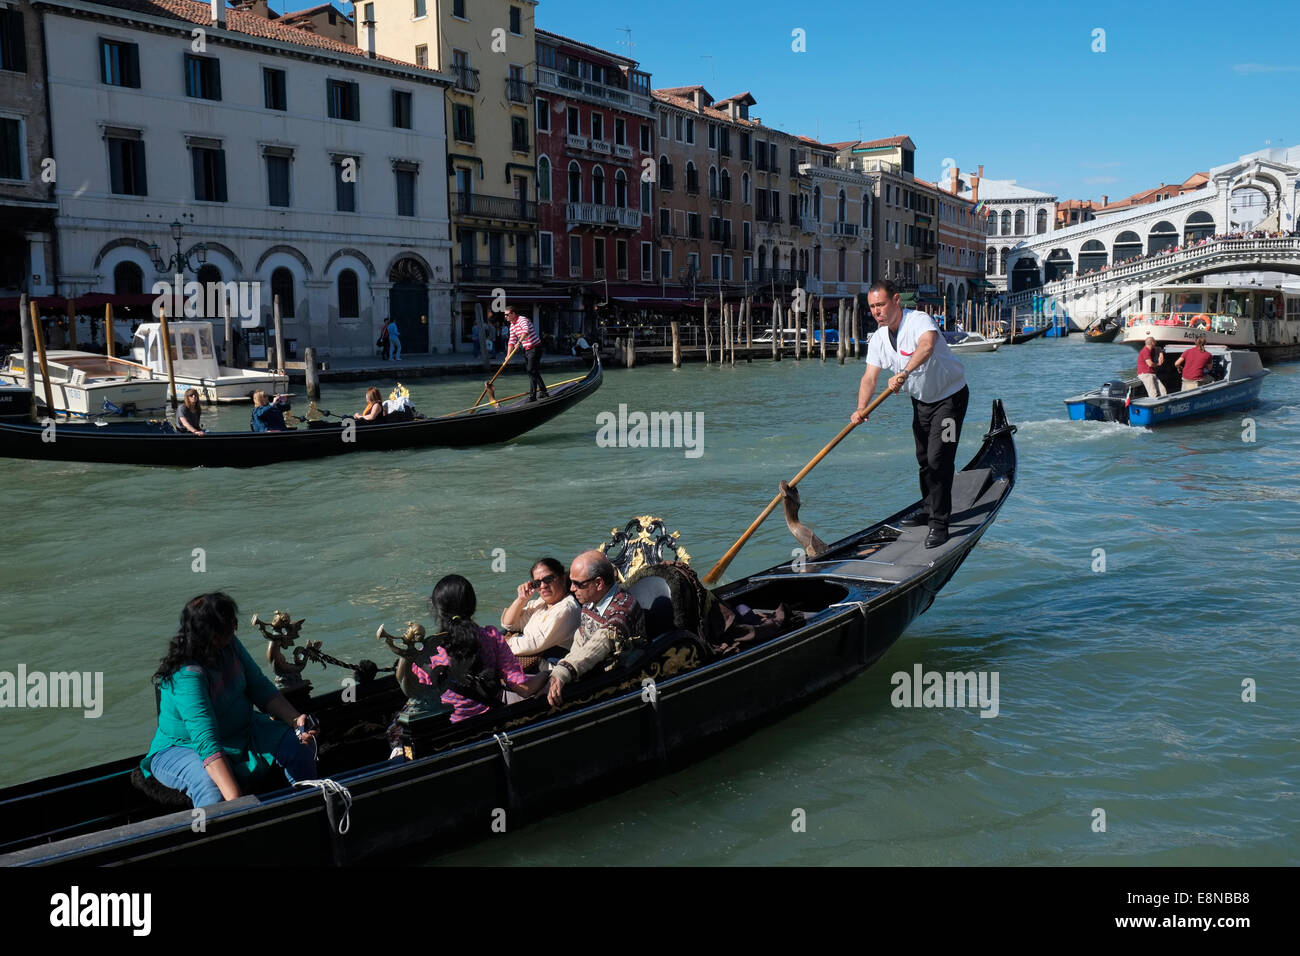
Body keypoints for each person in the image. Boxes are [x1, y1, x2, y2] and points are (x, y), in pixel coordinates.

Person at [140, 593, 318, 808]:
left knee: (298, 746)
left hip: (244, 732)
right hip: (184, 747)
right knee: (212, 789)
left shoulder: (229, 643)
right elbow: (206, 741)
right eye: (231, 624)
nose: (235, 627)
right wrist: (235, 802)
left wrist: (295, 719)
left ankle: (307, 809)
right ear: (211, 635)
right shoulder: (187, 674)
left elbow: (259, 687)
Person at [851, 279, 969, 549]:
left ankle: (939, 523)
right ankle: (928, 508)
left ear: (895, 301)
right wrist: (861, 408)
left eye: (880, 304)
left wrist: (903, 373)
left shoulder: (919, 321)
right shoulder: (878, 338)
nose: (876, 311)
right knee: (924, 459)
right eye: (871, 307)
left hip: (951, 399)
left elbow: (926, 347)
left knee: (940, 458)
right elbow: (869, 377)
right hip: (922, 402)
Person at [411, 574, 542, 721]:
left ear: (436, 608)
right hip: (489, 722)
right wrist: (550, 674)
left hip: (447, 728)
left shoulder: (428, 652)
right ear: (472, 605)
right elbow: (523, 689)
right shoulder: (492, 637)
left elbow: (420, 697)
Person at [547, 551, 646, 707]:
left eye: (577, 583)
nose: (572, 589)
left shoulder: (623, 609)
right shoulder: (590, 601)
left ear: (598, 583)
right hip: (590, 671)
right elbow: (581, 638)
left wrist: (563, 672)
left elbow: (600, 643)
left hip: (619, 684)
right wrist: (561, 670)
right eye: (570, 582)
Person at [501, 557, 581, 663]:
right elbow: (509, 624)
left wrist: (502, 643)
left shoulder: (566, 608)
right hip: (531, 653)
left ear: (562, 579)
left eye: (548, 579)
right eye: (537, 583)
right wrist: (521, 599)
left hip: (549, 665)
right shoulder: (541, 604)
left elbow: (534, 643)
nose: (543, 586)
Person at [505, 307, 548, 401]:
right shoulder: (512, 325)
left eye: (507, 314)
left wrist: (519, 342)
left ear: (513, 314)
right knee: (532, 371)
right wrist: (508, 355)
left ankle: (533, 396)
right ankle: (543, 391)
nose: (505, 317)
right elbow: (511, 341)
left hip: (535, 347)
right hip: (527, 349)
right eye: (505, 315)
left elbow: (526, 331)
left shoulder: (522, 320)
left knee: (531, 370)